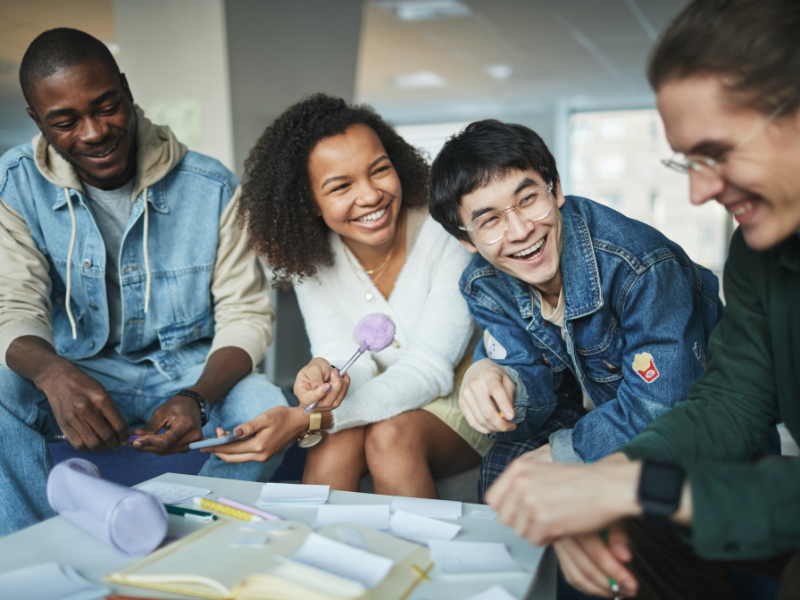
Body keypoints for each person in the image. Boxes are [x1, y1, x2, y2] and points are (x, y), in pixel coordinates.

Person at [482, 0, 800, 598]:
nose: (701, 191)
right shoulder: (759, 252)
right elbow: (732, 402)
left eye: (719, 152)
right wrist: (602, 486)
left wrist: (628, 488)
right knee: (633, 528)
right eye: (688, 160)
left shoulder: (637, 262)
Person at [0, 28, 288, 536]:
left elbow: (246, 316)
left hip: (187, 370)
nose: (92, 133)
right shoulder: (14, 186)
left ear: (127, 89)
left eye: (106, 106)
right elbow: (12, 307)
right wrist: (53, 375)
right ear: (36, 120)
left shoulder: (212, 187)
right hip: (75, 370)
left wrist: (197, 398)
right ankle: (42, 544)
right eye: (64, 122)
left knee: (266, 406)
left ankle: (198, 536)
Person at [205, 94, 492, 497]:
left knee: (389, 438)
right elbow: (344, 352)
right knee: (336, 439)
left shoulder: (443, 231)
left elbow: (429, 368)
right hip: (385, 393)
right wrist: (329, 376)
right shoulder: (311, 257)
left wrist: (307, 420)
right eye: (341, 186)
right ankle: (316, 555)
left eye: (379, 171)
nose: (371, 195)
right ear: (309, 202)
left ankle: (418, 559)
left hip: (459, 394)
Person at [427, 119, 724, 502]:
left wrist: (565, 454)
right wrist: (491, 377)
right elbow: (531, 398)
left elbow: (663, 407)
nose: (520, 231)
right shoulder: (484, 284)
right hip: (591, 409)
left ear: (556, 190)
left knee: (581, 487)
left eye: (528, 199)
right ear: (465, 239)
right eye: (490, 220)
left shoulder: (640, 266)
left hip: (691, 427)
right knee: (504, 470)